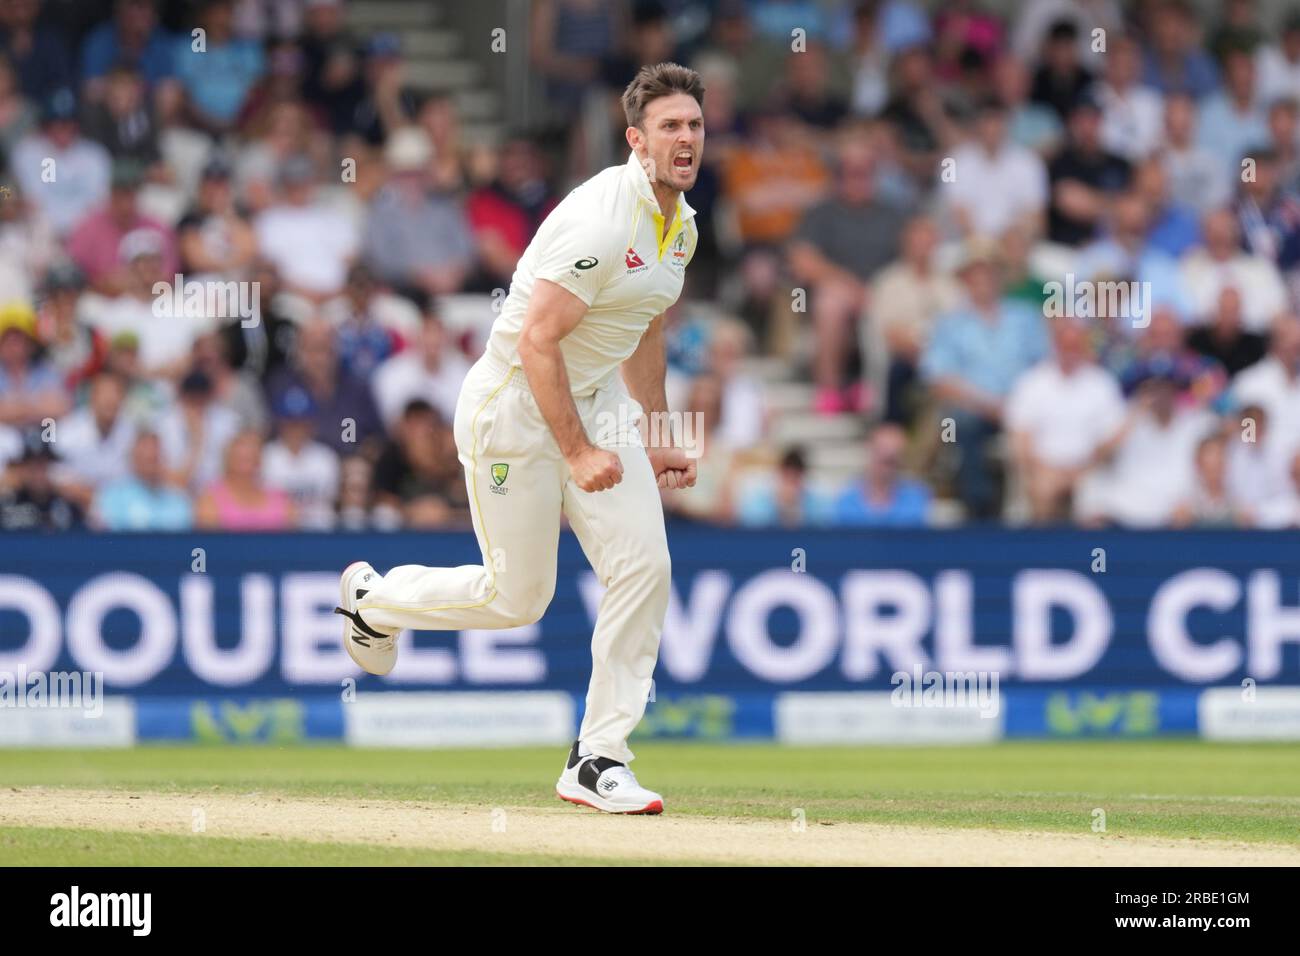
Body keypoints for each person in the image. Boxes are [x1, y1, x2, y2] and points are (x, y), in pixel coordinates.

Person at [334, 63, 705, 815]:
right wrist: (577, 453)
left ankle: (598, 758)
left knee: (646, 566)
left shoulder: (682, 226)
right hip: (514, 406)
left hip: (594, 402)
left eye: (695, 124)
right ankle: (375, 598)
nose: (686, 137)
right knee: (517, 599)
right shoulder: (603, 222)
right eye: (670, 126)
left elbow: (644, 326)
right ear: (637, 140)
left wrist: (656, 429)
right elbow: (538, 342)